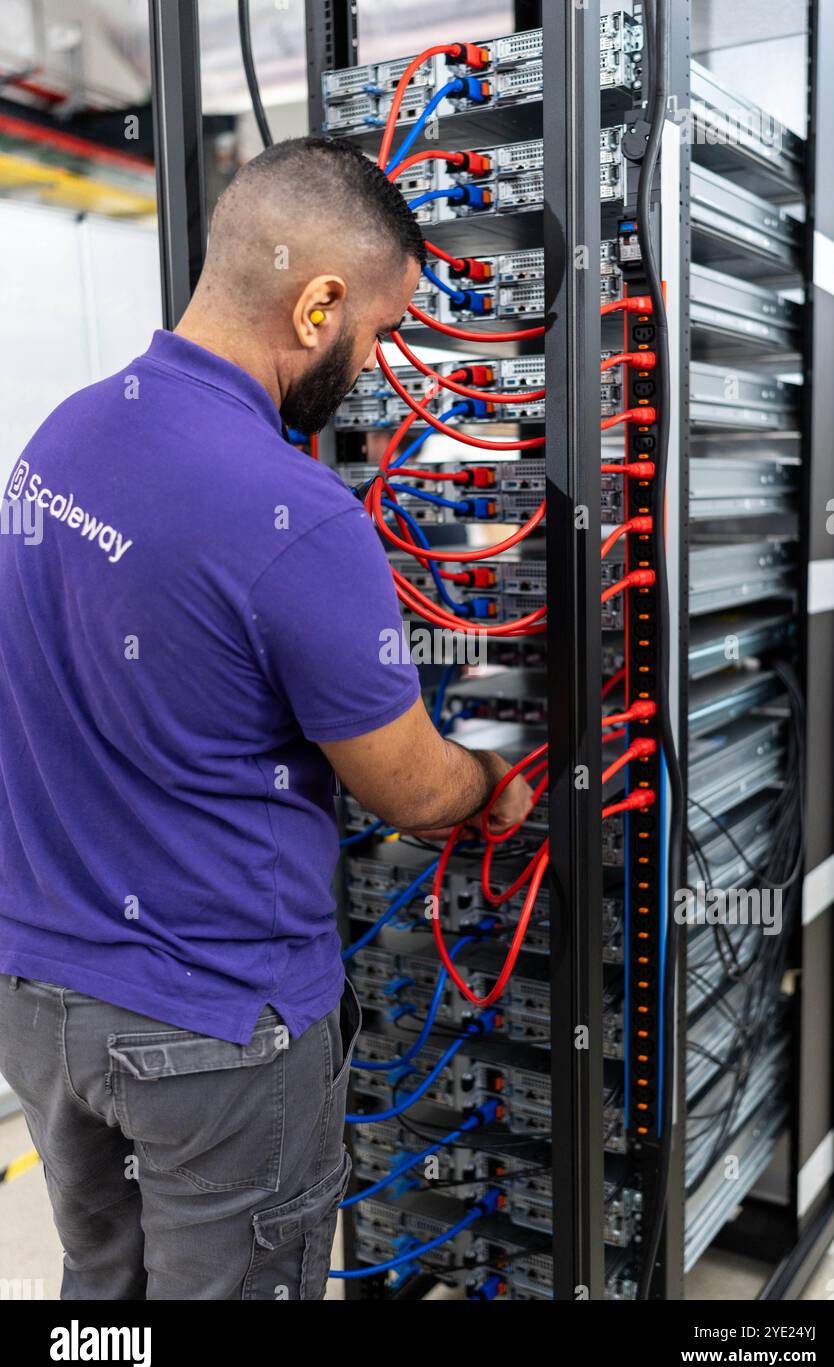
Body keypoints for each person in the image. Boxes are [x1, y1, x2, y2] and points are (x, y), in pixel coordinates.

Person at [0, 136, 531, 1300]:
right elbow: (406, 787)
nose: (380, 363)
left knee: (105, 1293)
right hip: (212, 1026)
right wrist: (493, 784)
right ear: (318, 300)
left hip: (39, 997)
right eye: (381, 333)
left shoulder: (61, 438)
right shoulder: (296, 513)